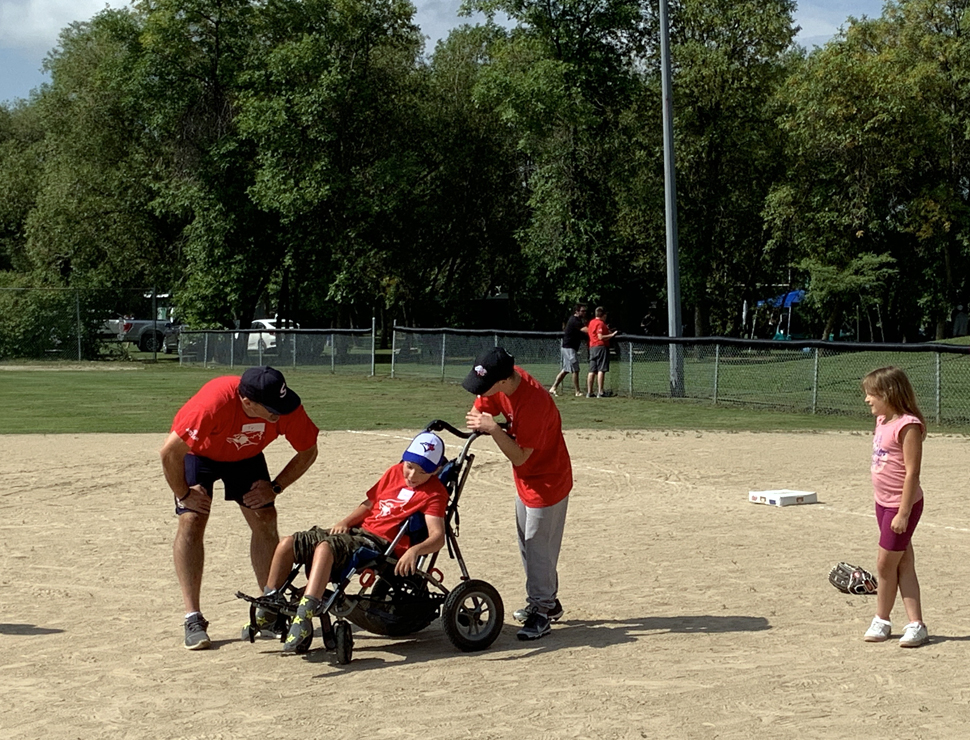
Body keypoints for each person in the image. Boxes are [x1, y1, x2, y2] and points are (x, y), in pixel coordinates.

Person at [159, 366, 319, 650]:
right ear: (247, 402)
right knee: (192, 520)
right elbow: (169, 452)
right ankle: (192, 616)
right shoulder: (212, 405)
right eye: (271, 409)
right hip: (200, 454)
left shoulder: (284, 406)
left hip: (246, 456)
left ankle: (268, 609)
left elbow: (308, 450)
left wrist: (275, 486)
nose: (279, 413)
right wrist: (183, 494)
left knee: (265, 517)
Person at [262, 432, 448, 652]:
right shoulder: (394, 472)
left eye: (422, 471)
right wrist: (346, 522)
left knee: (326, 548)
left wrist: (414, 551)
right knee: (290, 542)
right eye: (409, 466)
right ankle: (268, 606)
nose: (412, 474)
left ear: (435, 470)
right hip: (357, 532)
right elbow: (369, 504)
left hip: (380, 544)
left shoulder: (435, 493)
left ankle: (305, 615)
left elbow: (438, 537)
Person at [462, 346, 572, 640]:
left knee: (538, 547)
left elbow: (521, 455)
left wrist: (494, 430)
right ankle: (547, 600)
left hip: (547, 482)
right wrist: (481, 418)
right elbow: (479, 409)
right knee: (528, 545)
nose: (483, 391)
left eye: (487, 386)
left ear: (502, 381)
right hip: (526, 480)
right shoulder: (501, 385)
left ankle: (541, 611)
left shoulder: (534, 401)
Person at [861, 366, 928, 647]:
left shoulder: (908, 425)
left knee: (885, 565)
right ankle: (916, 624)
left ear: (888, 393)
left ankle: (882, 619)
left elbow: (912, 473)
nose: (867, 400)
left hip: (901, 507)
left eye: (871, 394)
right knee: (904, 564)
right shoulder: (883, 420)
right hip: (883, 504)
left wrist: (902, 513)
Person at [549, 304, 588, 397]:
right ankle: (577, 391)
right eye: (582, 311)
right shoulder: (574, 320)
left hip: (569, 348)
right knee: (575, 369)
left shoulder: (577, 320)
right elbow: (586, 330)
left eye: (585, 311)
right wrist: (598, 329)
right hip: (569, 348)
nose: (584, 313)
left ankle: (553, 387)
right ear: (576, 311)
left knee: (566, 370)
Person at [586, 307, 619, 397]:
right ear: (603, 315)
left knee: (592, 369)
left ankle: (589, 392)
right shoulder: (600, 323)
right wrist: (611, 335)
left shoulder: (591, 322)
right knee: (601, 369)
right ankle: (600, 391)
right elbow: (600, 336)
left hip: (592, 347)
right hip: (600, 346)